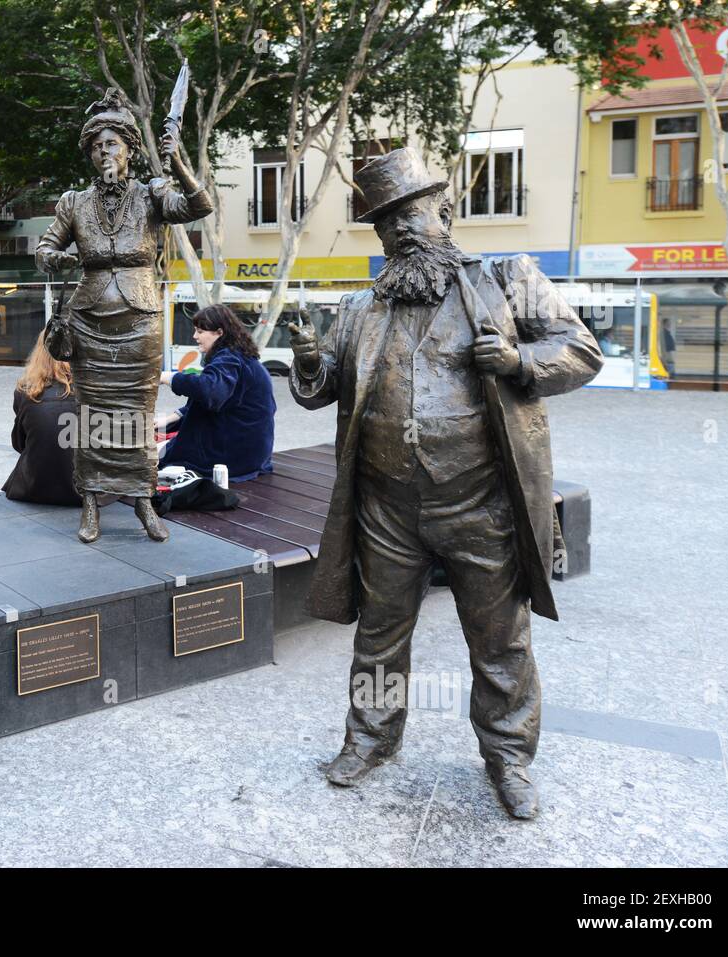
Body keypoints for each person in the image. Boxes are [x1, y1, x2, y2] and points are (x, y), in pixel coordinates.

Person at [287, 147, 602, 819]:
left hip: (480, 505)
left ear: (445, 213)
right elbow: (319, 390)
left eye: (411, 213)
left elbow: (580, 350)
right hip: (386, 510)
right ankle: (369, 739)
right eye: (385, 222)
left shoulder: (508, 280)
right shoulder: (359, 306)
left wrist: (518, 360)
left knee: (499, 640)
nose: (399, 230)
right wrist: (309, 360)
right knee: (379, 635)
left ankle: (508, 757)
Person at [35, 88, 213, 544]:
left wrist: (179, 165)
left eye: (111, 143)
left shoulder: (152, 194)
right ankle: (91, 503)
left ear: (130, 149)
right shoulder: (74, 202)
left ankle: (143, 501)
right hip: (89, 323)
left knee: (138, 414)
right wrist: (54, 258)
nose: (103, 152)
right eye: (96, 146)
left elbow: (200, 207)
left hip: (140, 321)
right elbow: (45, 247)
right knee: (90, 414)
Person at [157, 304, 275, 482]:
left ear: (219, 333)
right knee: (162, 448)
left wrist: (168, 377)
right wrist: (170, 419)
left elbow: (210, 391)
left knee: (152, 457)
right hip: (252, 453)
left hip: (233, 457)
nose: (195, 336)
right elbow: (213, 401)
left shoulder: (228, 358)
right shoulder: (239, 356)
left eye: (200, 331)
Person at [2, 333, 81, 506]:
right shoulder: (94, 391)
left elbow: (20, 444)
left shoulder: (25, 391)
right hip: (86, 492)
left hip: (33, 488)